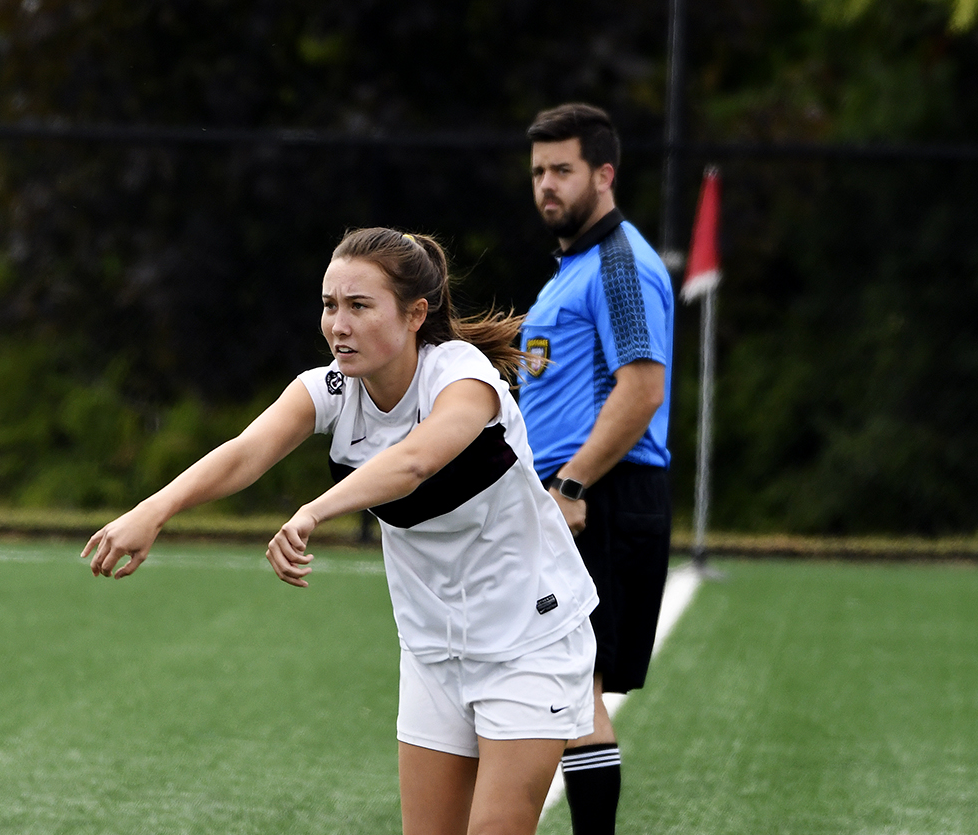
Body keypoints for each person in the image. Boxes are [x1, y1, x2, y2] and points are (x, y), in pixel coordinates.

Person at [83, 227, 600, 835]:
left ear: (415, 314)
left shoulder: (463, 376)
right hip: (433, 648)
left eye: (359, 306)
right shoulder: (330, 388)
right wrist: (154, 510)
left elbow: (413, 463)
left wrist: (313, 510)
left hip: (529, 640)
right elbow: (247, 451)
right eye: (330, 305)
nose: (338, 325)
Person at [519, 103, 674, 835]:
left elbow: (642, 387)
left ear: (604, 174)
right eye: (539, 172)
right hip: (569, 496)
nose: (547, 186)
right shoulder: (574, 266)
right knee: (561, 678)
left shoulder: (619, 265)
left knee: (576, 679)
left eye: (563, 171)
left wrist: (574, 482)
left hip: (600, 497)